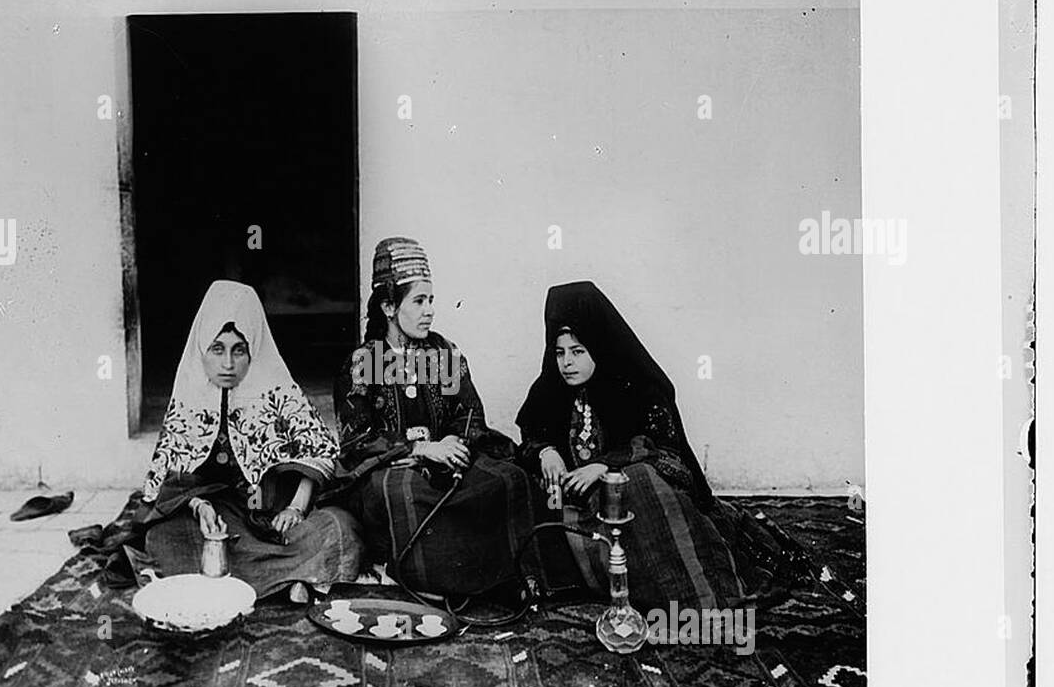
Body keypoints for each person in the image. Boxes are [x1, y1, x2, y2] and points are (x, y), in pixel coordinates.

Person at [516, 281, 807, 612]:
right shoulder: (549, 389)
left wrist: (605, 466)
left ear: (599, 344)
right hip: (574, 503)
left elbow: (664, 449)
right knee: (515, 485)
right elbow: (531, 434)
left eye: (578, 351)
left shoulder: (638, 385)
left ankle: (694, 598)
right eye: (559, 352)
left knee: (639, 483)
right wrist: (545, 452)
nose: (567, 362)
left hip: (627, 494)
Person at [332, 237, 537, 600]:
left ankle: (488, 577)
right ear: (388, 306)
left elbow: (469, 413)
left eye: (431, 301)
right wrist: (421, 448)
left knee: (509, 478)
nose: (429, 311)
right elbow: (357, 439)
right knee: (397, 493)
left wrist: (453, 445)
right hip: (394, 468)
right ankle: (419, 580)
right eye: (419, 301)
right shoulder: (363, 363)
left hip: (447, 464)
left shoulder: (444, 352)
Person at [138, 280, 363, 602]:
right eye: (217, 349)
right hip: (223, 512)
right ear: (203, 348)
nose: (228, 363)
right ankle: (293, 579)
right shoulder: (190, 396)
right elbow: (170, 476)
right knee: (165, 536)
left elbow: (321, 452)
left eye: (238, 350)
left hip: (278, 514)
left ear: (254, 347)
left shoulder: (279, 391)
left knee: (339, 526)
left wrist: (296, 508)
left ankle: (258, 578)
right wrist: (200, 507)